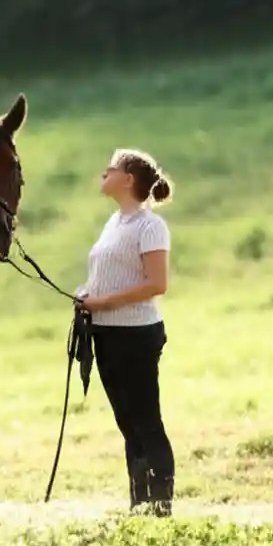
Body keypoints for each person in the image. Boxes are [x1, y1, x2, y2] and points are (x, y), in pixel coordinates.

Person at [75, 148, 175, 516]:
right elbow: (109, 272)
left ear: (129, 179)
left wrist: (105, 303)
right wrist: (88, 293)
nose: (105, 171)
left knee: (146, 418)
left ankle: (160, 503)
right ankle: (140, 504)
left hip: (135, 333)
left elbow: (156, 283)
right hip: (106, 334)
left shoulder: (151, 226)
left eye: (112, 168)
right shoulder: (114, 223)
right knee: (126, 422)